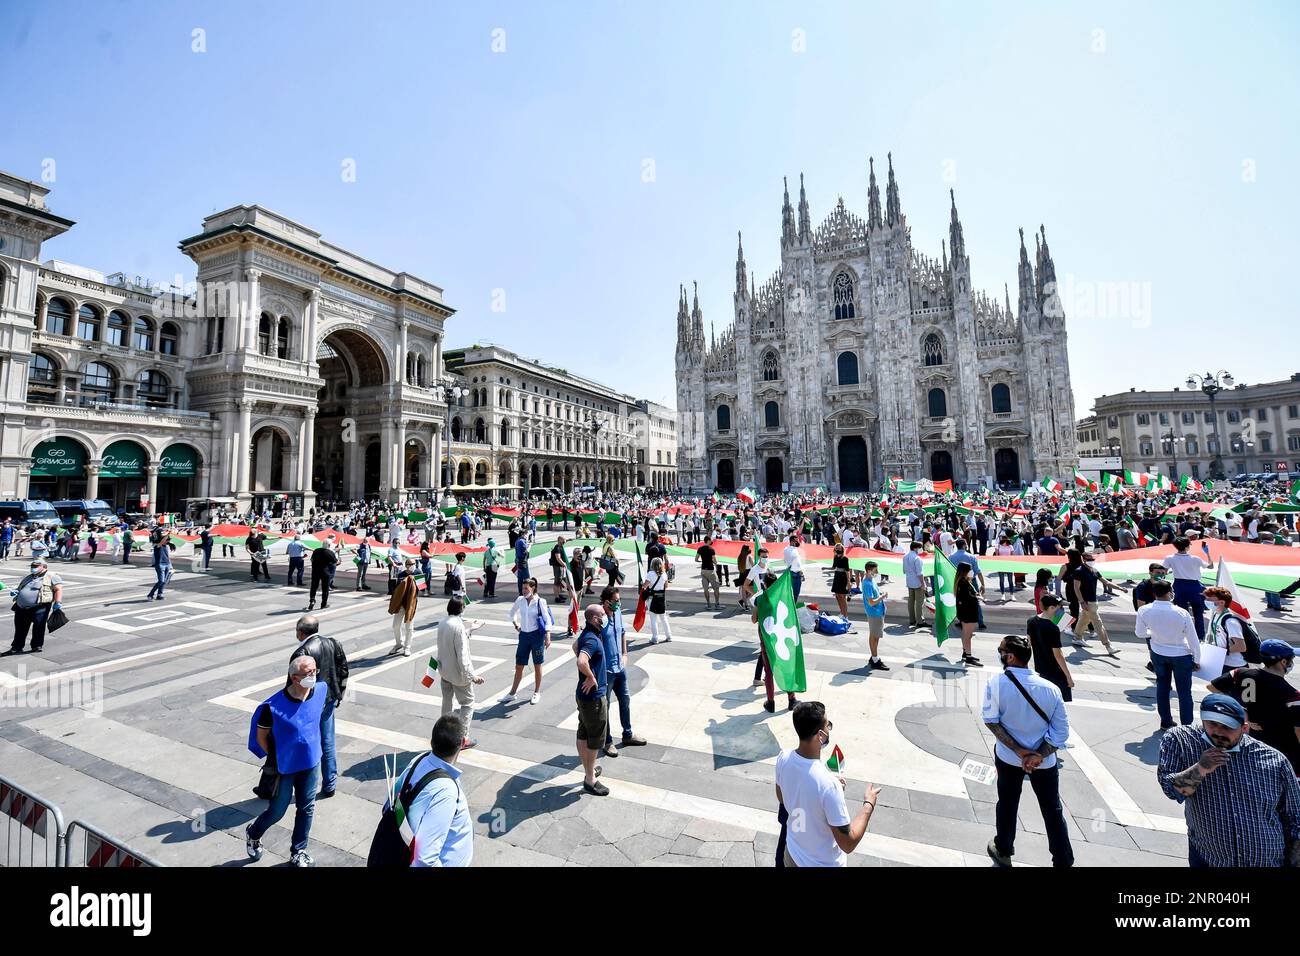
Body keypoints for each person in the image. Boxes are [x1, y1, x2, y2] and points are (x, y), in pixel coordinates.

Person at [1157, 693, 1300, 867]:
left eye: (1228, 727)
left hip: (1267, 861)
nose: (1218, 731)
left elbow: (1295, 816)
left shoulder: (1273, 761)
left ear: (1245, 728)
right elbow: (1170, 789)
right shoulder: (1181, 740)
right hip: (1209, 859)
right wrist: (1200, 768)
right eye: (1212, 724)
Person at [983, 635, 1074, 867]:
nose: (999, 653)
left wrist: (1019, 751)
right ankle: (1063, 860)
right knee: (1052, 810)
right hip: (1044, 762)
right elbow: (1061, 734)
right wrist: (1038, 755)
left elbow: (991, 721)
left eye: (1001, 650)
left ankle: (1003, 849)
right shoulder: (1051, 689)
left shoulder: (996, 683)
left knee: (1007, 803)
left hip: (1008, 757)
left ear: (1010, 656)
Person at [245, 656, 328, 867]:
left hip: (311, 762)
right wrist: (276, 754)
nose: (313, 676)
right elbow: (261, 737)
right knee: (277, 810)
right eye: (308, 673)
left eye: (315, 671)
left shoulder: (321, 690)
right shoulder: (272, 708)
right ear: (294, 677)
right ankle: (254, 832)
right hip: (285, 767)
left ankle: (298, 851)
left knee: (306, 807)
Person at [774, 701, 878, 867]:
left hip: (791, 855)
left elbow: (782, 797)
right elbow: (847, 843)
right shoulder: (828, 785)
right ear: (820, 735)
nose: (829, 728)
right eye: (828, 725)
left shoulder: (783, 758)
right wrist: (868, 805)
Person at [1210, 639, 1300, 776]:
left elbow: (1213, 687)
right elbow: (1298, 730)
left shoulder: (1239, 673)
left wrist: (1241, 709)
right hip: (1284, 754)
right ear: (1283, 662)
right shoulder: (1292, 695)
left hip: (1252, 747)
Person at [393, 715, 474, 867]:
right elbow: (425, 859)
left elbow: (389, 804)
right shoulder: (446, 792)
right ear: (463, 743)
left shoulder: (417, 760)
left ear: (432, 742)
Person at [290, 615, 349, 798]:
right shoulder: (333, 643)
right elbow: (343, 670)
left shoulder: (302, 653)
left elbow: (293, 684)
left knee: (308, 743)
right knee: (328, 741)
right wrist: (340, 692)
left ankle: (306, 783)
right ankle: (330, 783)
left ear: (300, 632)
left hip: (310, 703)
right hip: (329, 698)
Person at [1136, 580, 1201, 729]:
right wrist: (1197, 659)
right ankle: (1187, 726)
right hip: (1180, 654)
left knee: (1162, 688)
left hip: (1158, 653)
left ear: (1154, 593)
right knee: (1184, 692)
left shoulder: (1144, 610)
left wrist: (1153, 634)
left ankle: (1165, 721)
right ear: (1170, 592)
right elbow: (1192, 638)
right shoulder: (1181, 612)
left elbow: (1140, 633)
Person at [597, 584, 646, 756]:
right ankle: (607, 741)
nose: (619, 604)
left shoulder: (617, 613)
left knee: (625, 701)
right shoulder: (599, 619)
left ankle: (628, 734)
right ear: (606, 602)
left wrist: (625, 653)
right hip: (606, 672)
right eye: (616, 601)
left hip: (620, 668)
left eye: (619, 600)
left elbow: (623, 632)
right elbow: (588, 643)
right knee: (605, 707)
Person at [436, 597, 485, 748]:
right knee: (468, 704)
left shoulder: (443, 623)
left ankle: (443, 732)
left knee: (447, 702)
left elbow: (449, 642)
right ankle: (463, 738)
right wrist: (473, 676)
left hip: (445, 671)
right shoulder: (458, 627)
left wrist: (469, 630)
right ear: (461, 609)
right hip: (458, 675)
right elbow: (463, 657)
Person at [574, 605, 610, 796]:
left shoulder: (588, 634)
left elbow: (574, 647)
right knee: (595, 739)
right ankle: (590, 779)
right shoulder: (591, 639)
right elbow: (581, 661)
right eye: (602, 614)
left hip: (583, 696)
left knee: (583, 734)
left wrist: (588, 672)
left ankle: (588, 769)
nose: (605, 616)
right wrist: (591, 676)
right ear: (595, 618)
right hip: (594, 699)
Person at [504, 578, 550, 705]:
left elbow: (547, 619)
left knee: (537, 665)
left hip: (536, 636)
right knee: (519, 665)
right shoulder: (520, 600)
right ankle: (512, 693)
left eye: (526, 588)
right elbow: (511, 613)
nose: (523, 591)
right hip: (524, 636)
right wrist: (516, 624)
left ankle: (536, 692)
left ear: (533, 588)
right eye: (522, 588)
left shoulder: (540, 601)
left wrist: (548, 636)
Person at [4, 558, 63, 656]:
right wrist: (16, 591)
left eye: (36, 566)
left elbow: (58, 589)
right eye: (32, 566)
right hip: (21, 607)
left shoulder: (52, 576)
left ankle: (36, 646)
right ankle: (16, 647)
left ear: (44, 567)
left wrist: (58, 602)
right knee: (20, 628)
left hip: (40, 607)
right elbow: (20, 588)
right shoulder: (29, 577)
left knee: (39, 627)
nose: (33, 568)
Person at [1162, 537, 1214, 640]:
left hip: (1179, 586)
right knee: (1198, 612)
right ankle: (1200, 637)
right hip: (1195, 586)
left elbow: (1164, 572)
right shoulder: (1195, 558)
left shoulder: (1169, 558)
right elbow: (1211, 566)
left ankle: (1183, 636)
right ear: (1187, 547)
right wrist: (1207, 553)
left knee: (1181, 613)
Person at [1027, 594, 1073, 702]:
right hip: (1054, 671)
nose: (1062, 609)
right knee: (1057, 702)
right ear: (1051, 608)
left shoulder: (1031, 621)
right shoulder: (1053, 628)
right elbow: (1058, 655)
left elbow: (1028, 643)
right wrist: (1068, 676)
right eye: (1060, 607)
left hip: (1040, 668)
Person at [1070, 551, 1117, 656]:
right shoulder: (1079, 571)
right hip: (1087, 602)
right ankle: (1108, 646)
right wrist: (1082, 602)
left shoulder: (1094, 570)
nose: (1091, 561)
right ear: (1083, 560)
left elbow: (1106, 582)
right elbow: (1076, 588)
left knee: (1084, 620)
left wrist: (1120, 588)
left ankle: (1077, 637)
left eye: (1092, 559)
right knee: (1098, 623)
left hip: (1093, 601)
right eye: (1089, 559)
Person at [1204, 586, 1248, 677]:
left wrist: (1220, 652)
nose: (1206, 600)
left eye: (1210, 599)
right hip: (1222, 662)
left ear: (1222, 602)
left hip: (1234, 665)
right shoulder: (1216, 614)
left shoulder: (1230, 621)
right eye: (1206, 598)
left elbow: (1241, 646)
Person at [954, 562, 983, 667]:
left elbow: (967, 596)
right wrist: (977, 597)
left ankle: (966, 653)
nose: (972, 571)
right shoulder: (963, 583)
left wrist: (975, 594)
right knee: (968, 635)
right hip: (968, 612)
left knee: (966, 634)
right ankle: (968, 657)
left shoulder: (962, 581)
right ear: (965, 571)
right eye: (970, 569)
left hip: (965, 612)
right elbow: (967, 598)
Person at [860, 561, 888, 671]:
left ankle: (874, 657)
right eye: (875, 570)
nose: (877, 572)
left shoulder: (871, 580)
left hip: (878, 612)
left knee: (875, 635)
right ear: (869, 570)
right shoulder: (867, 583)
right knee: (874, 636)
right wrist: (883, 596)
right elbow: (871, 602)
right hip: (874, 613)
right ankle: (875, 659)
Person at [389, 558, 419, 656]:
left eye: (414, 563)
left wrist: (414, 582)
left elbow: (423, 587)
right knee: (395, 625)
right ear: (407, 565)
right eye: (411, 564)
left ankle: (407, 647)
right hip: (401, 604)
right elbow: (397, 590)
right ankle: (399, 644)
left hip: (411, 603)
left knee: (409, 627)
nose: (413, 565)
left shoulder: (418, 572)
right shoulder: (401, 575)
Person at [643, 556, 672, 645]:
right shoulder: (664, 574)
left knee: (653, 619)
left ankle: (655, 638)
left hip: (652, 598)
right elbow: (666, 586)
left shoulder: (650, 574)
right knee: (663, 617)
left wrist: (643, 584)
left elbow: (645, 586)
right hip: (661, 597)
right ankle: (669, 636)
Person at [308, 539, 338, 611]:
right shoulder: (330, 552)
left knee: (314, 586)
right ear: (329, 545)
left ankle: (312, 600)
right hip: (325, 572)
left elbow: (311, 560)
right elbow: (335, 562)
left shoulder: (316, 550)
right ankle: (323, 604)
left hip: (315, 571)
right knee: (325, 588)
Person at [903, 540, 927, 628]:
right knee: (919, 602)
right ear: (916, 548)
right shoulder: (917, 558)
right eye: (920, 547)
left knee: (911, 601)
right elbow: (920, 573)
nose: (921, 549)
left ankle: (912, 619)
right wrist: (923, 584)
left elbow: (904, 570)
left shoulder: (905, 557)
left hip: (909, 582)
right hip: (917, 583)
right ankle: (920, 621)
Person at [146, 535, 174, 601]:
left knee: (164, 581)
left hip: (167, 564)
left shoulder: (166, 547)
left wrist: (170, 566)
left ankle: (160, 595)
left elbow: (167, 556)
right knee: (161, 581)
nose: (168, 541)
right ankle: (150, 595)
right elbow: (162, 541)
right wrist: (168, 534)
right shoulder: (158, 546)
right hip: (160, 565)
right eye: (167, 540)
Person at [697, 537, 721, 610]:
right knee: (716, 588)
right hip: (710, 570)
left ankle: (708, 604)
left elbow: (696, 559)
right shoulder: (711, 549)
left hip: (703, 570)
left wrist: (702, 561)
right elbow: (715, 560)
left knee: (705, 589)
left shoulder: (700, 549)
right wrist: (714, 563)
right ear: (708, 541)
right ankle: (717, 604)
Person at [783, 534, 805, 601]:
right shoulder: (793, 550)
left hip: (793, 572)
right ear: (792, 542)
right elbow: (796, 563)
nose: (798, 542)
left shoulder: (787, 549)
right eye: (797, 541)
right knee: (795, 594)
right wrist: (801, 573)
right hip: (794, 573)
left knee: (792, 594)